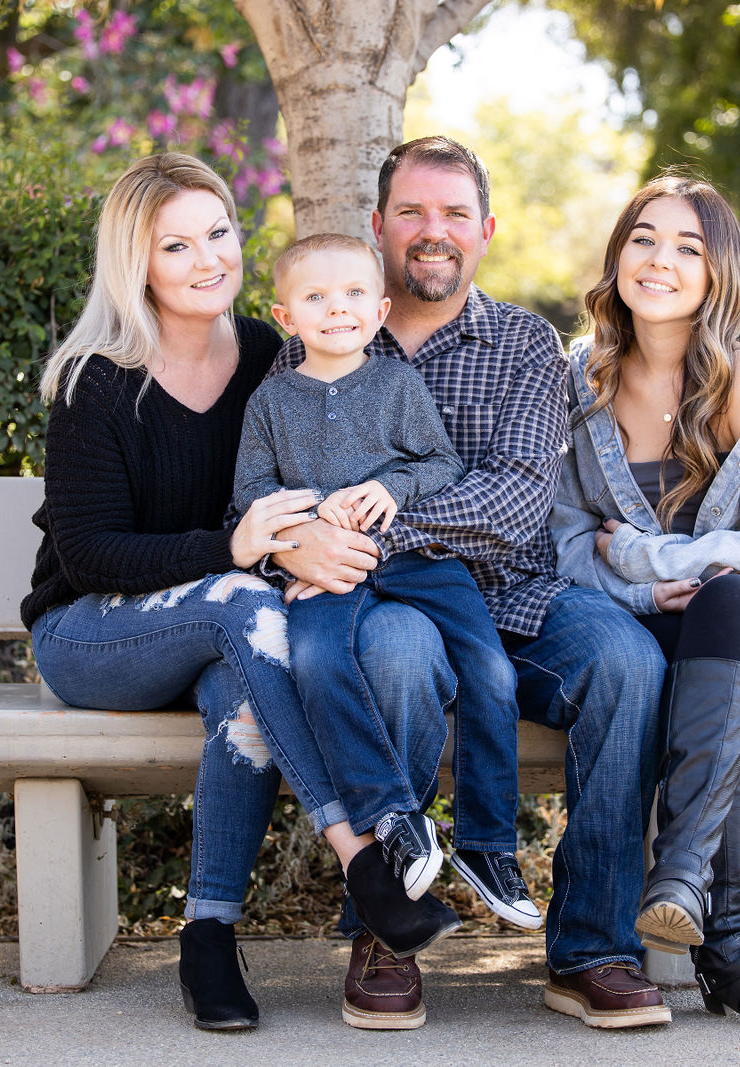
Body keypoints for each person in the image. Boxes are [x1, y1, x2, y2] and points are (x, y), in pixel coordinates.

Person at [20, 153, 452, 1034]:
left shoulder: (267, 350)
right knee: (244, 604)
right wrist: (241, 546)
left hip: (224, 631)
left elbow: (305, 472)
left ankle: (208, 932)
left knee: (248, 704)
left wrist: (310, 541)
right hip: (93, 632)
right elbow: (92, 553)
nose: (207, 257)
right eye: (175, 245)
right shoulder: (94, 381)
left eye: (218, 232)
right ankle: (365, 857)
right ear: (136, 263)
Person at [266, 137, 674, 1030]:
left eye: (454, 214)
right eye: (411, 212)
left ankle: (592, 949)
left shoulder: (526, 344)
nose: (432, 232)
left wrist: (367, 529)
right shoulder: (309, 338)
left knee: (628, 662)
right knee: (399, 654)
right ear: (378, 228)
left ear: (485, 230)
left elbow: (520, 497)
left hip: (514, 600)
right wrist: (295, 542)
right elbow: (272, 483)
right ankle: (388, 928)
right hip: (384, 604)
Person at [550, 171, 740, 1026]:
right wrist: (639, 592)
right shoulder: (580, 383)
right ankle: (727, 949)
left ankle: (681, 877)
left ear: (718, 273)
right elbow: (564, 546)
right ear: (618, 257)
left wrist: (640, 552)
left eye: (687, 245)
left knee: (725, 603)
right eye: (643, 238)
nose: (660, 260)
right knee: (676, 670)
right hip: (662, 644)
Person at [230, 233, 542, 938]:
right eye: (315, 297)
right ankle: (396, 816)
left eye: (351, 296)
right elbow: (250, 493)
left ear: (379, 310)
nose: (335, 310)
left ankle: (488, 846)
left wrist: (386, 488)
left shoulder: (398, 384)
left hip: (417, 558)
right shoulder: (272, 401)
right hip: (326, 572)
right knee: (315, 660)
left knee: (490, 668)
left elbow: (439, 463)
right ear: (286, 316)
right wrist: (310, 523)